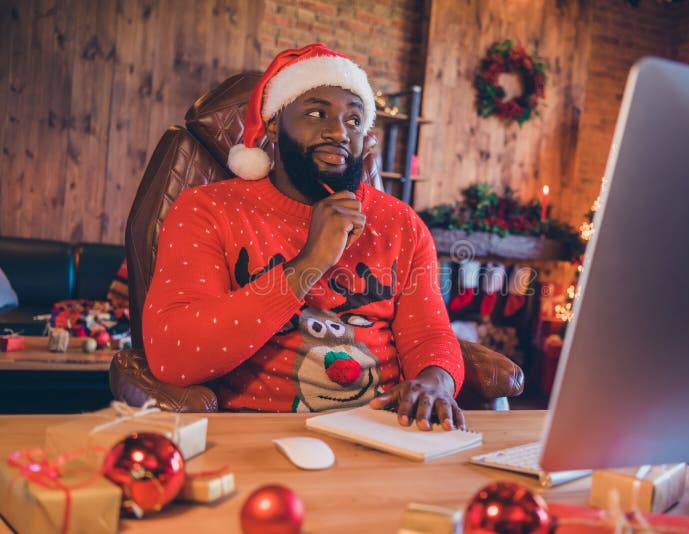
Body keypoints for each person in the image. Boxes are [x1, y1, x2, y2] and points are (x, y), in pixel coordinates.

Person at [142, 43, 466, 430]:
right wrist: (310, 263)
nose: (338, 132)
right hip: (259, 435)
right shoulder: (207, 209)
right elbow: (174, 355)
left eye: (354, 120)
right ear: (275, 122)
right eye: (317, 113)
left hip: (388, 432)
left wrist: (435, 382)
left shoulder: (402, 224)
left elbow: (429, 335)